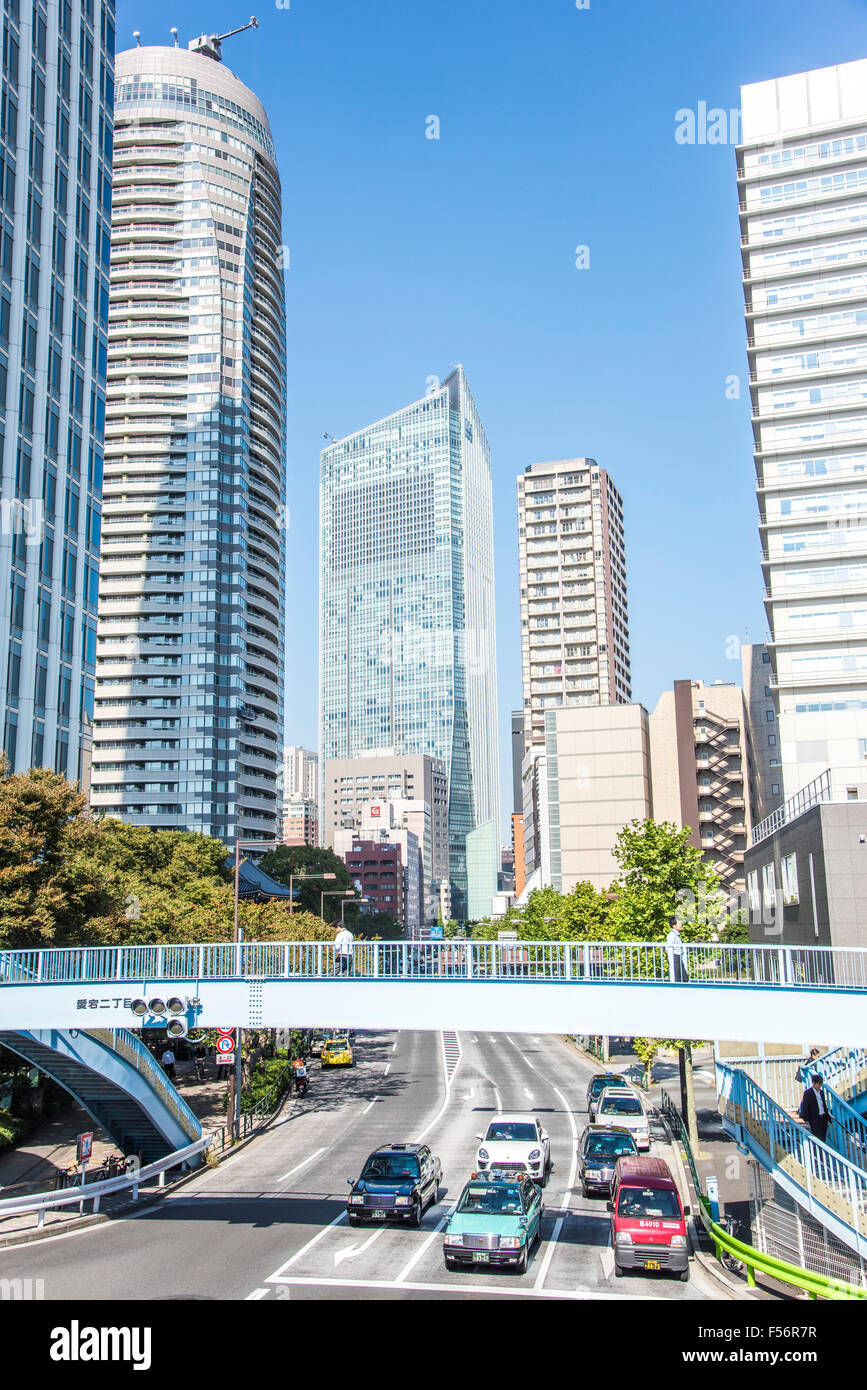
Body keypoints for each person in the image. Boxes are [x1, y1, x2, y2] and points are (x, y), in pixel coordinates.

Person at [799, 1072, 830, 1143]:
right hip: (814, 1118)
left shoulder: (821, 1092)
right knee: (818, 1138)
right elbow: (805, 1105)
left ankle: (822, 1151)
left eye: (820, 1084)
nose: (819, 1086)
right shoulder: (808, 1093)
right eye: (818, 1084)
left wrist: (827, 1117)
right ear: (813, 1083)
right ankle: (819, 1152)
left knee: (823, 1136)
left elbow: (823, 1105)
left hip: (823, 1117)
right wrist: (806, 1118)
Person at [665, 915, 688, 982]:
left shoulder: (677, 935)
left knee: (684, 978)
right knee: (676, 977)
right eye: (679, 924)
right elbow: (668, 948)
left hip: (678, 957)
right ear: (674, 926)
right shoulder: (671, 935)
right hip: (675, 957)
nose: (681, 925)